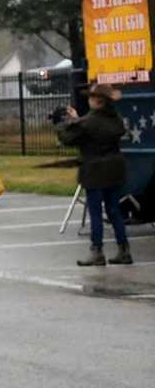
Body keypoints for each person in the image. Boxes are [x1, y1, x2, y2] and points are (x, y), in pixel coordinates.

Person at [55, 83, 132, 266]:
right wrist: (78, 121)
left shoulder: (88, 122)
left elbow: (68, 138)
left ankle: (97, 251)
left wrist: (63, 123)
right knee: (114, 211)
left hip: (95, 170)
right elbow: (93, 129)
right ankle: (124, 250)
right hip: (115, 168)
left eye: (90, 97)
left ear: (98, 101)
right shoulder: (116, 119)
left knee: (96, 212)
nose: (88, 100)